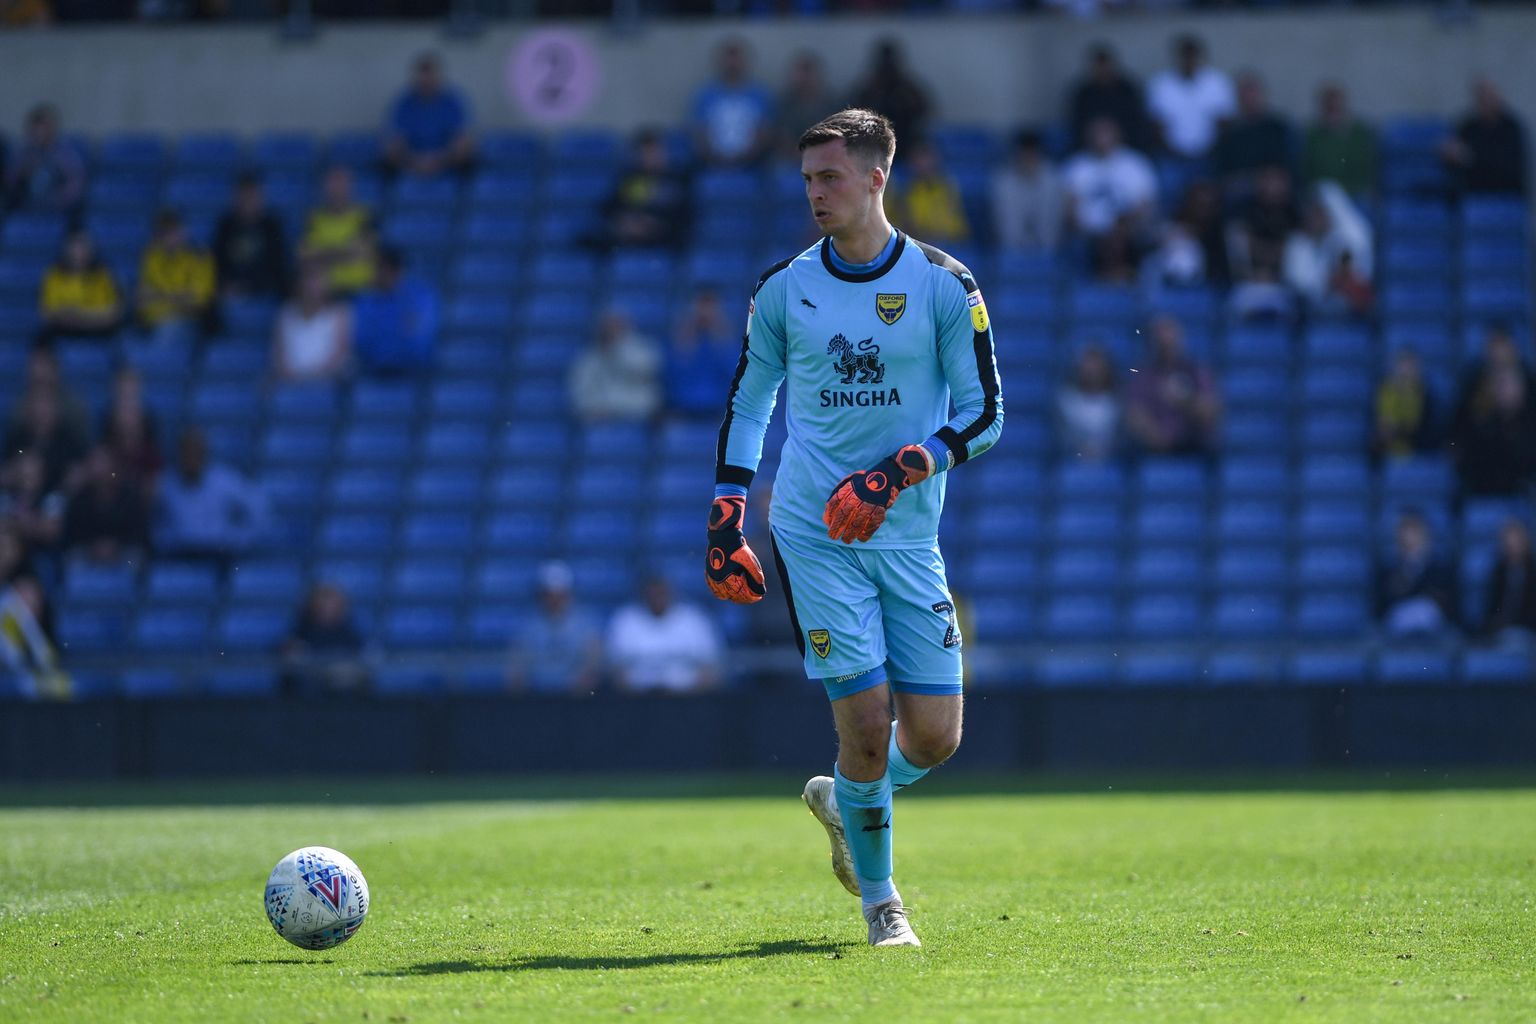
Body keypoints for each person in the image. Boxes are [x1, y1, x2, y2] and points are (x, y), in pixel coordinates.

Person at [705, 109, 1003, 947]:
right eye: (806, 180)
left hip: (906, 534)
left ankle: (845, 797)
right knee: (868, 726)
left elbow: (985, 417)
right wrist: (730, 508)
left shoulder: (947, 285)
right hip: (814, 532)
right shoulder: (784, 287)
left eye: (829, 178)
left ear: (878, 176)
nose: (814, 194)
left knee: (936, 740)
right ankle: (884, 906)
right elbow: (748, 402)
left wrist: (898, 471)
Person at [1062, 118, 1158, 283]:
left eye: (1106, 133)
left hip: (1128, 232)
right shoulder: (1077, 166)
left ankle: (1129, 283)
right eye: (1097, 134)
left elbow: (1146, 205)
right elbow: (1070, 210)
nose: (1102, 139)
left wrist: (1123, 228)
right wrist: (1090, 230)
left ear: (1118, 136)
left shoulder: (1136, 164)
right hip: (1089, 235)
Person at [154, 426, 270, 560]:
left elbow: (260, 508)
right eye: (186, 452)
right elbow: (154, 523)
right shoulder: (165, 484)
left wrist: (237, 539)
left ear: (205, 454)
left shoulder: (225, 481)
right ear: (179, 455)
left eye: (196, 452)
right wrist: (166, 541)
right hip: (179, 556)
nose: (191, 458)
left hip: (218, 554)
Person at [1449, 328, 1536, 496]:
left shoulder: (1530, 381)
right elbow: (1460, 426)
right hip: (1481, 470)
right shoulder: (1474, 381)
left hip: (1522, 470)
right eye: (1494, 348)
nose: (1498, 354)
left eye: (1503, 347)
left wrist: (1514, 413)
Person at [606, 574, 722, 693]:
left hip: (688, 698)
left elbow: (711, 667)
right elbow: (616, 671)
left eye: (661, 593)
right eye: (652, 594)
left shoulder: (695, 619)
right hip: (637, 700)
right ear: (643, 595)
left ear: (672, 593)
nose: (657, 598)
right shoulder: (625, 620)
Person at [1124, 314, 1220, 456]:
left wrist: (1185, 400)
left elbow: (1210, 411)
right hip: (1153, 451)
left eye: (1169, 336)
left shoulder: (1196, 372)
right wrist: (1155, 437)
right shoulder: (1143, 375)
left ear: (1179, 339)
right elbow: (1134, 414)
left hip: (1193, 448)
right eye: (1160, 338)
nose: (1165, 342)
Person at [505, 561, 604, 694]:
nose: (555, 599)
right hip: (535, 699)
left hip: (576, 698)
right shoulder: (527, 626)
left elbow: (594, 662)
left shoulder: (586, 623)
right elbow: (516, 667)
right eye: (549, 594)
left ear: (568, 593)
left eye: (560, 594)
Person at [1281, 182, 1374, 317]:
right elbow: (1296, 282)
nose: (1314, 219)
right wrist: (1324, 283)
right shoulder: (1297, 243)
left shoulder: (1345, 240)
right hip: (1308, 312)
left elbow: (1358, 270)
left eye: (1320, 213)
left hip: (1347, 310)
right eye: (1312, 213)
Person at [596, 128, 691, 252]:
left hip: (665, 237)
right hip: (629, 236)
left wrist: (656, 225)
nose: (650, 158)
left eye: (654, 152)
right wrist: (626, 221)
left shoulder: (678, 179)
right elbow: (609, 208)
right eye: (645, 153)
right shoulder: (628, 179)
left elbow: (686, 214)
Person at [383, 51, 475, 179]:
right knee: (385, 161)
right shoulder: (403, 103)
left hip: (447, 163)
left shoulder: (453, 102)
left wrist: (438, 160)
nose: (427, 81)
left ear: (439, 77)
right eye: (423, 76)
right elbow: (395, 142)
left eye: (431, 76)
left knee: (469, 157)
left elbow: (462, 141)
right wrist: (416, 161)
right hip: (411, 163)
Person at [1146, 34, 1235, 162]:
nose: (1189, 60)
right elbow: (1155, 126)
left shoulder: (1217, 82)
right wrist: (1175, 153)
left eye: (1192, 56)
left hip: (1210, 155)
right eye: (1185, 56)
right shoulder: (1160, 85)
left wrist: (1211, 150)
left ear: (1200, 57)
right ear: (1177, 57)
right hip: (1171, 156)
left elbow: (1225, 124)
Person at [352, 247, 439, 375]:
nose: (376, 273)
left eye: (381, 268)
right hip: (374, 370)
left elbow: (419, 340)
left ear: (395, 270)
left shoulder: (421, 296)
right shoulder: (365, 299)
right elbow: (361, 338)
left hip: (415, 372)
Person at [690, 37, 775, 168]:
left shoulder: (759, 95)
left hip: (751, 164)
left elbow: (765, 131)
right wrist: (716, 158)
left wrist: (747, 157)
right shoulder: (706, 95)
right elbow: (699, 132)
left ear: (745, 62)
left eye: (737, 60)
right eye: (728, 60)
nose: (732, 65)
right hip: (713, 164)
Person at [136, 208, 216, 345]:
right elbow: (142, 297)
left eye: (171, 231)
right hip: (152, 319)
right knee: (125, 342)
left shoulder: (199, 256)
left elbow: (198, 301)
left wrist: (160, 296)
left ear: (183, 231)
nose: (167, 237)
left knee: (163, 334)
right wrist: (177, 296)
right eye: (162, 233)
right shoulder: (152, 255)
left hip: (188, 322)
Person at [568, 308, 662, 424]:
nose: (612, 330)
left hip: (638, 415)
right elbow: (580, 389)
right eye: (608, 327)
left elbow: (644, 374)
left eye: (616, 325)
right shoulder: (589, 358)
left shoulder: (643, 350)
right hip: (602, 418)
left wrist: (617, 350)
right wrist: (591, 409)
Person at [1376, 510, 1457, 639]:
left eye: (1415, 532)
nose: (1409, 538)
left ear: (1425, 535)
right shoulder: (1389, 570)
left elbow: (1449, 605)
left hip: (1434, 631)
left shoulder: (1441, 568)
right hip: (1397, 632)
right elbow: (1381, 608)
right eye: (1405, 532)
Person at [62, 446, 149, 565]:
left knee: (134, 558)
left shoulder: (130, 497)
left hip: (123, 551)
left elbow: (138, 534)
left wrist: (116, 546)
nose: (99, 470)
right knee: (73, 558)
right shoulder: (80, 499)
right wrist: (93, 547)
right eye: (95, 464)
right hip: (88, 551)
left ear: (114, 466)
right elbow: (72, 535)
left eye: (103, 463)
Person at [1439, 78, 1527, 195]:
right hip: (1473, 190)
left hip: (1505, 192)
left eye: (1490, 97)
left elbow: (1508, 166)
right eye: (1482, 98)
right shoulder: (1468, 127)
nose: (1486, 102)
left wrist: (1471, 157)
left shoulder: (1512, 128)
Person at [1212, 73, 1294, 198]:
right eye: (1244, 94)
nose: (1249, 98)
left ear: (1262, 95)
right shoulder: (1230, 132)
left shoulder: (1278, 128)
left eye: (1253, 92)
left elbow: (1284, 164)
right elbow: (1223, 170)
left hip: (1271, 185)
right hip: (1239, 187)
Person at [300, 165, 376, 296]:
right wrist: (346, 251)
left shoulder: (364, 217)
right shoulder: (314, 219)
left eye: (341, 182)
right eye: (332, 183)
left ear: (351, 186)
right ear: (324, 187)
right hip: (326, 294)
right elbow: (307, 256)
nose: (337, 188)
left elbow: (362, 252)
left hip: (361, 291)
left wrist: (324, 253)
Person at [281, 582, 370, 695]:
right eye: (321, 604)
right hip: (307, 698)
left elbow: (362, 666)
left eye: (331, 604)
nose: (326, 608)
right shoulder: (300, 633)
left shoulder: (351, 635)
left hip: (345, 697)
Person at [666, 288, 742, 419]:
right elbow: (671, 375)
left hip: (720, 408)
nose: (705, 313)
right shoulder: (678, 340)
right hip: (682, 405)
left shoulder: (729, 342)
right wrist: (685, 344)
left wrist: (721, 341)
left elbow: (735, 374)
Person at [213, 172, 289, 300]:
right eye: (244, 196)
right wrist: (227, 285)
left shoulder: (272, 226)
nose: (247, 202)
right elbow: (217, 262)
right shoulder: (226, 225)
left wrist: (249, 286)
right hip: (231, 291)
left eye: (252, 196)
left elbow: (278, 265)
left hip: (266, 289)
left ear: (261, 198)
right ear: (236, 198)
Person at [273, 261, 353, 383]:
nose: (313, 286)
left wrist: (314, 377)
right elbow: (279, 355)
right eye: (309, 280)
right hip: (291, 382)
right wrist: (293, 377)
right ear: (299, 284)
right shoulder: (285, 313)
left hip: (327, 382)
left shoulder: (339, 314)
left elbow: (339, 356)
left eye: (318, 280)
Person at [38, 230, 123, 343]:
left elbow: (114, 313)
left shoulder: (103, 276)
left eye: (82, 247)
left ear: (91, 249)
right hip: (62, 335)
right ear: (66, 249)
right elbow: (47, 313)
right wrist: (77, 316)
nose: (78, 253)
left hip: (99, 335)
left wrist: (81, 316)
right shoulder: (54, 275)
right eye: (75, 247)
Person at [3, 103, 86, 217]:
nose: (40, 132)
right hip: (26, 204)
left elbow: (75, 184)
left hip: (58, 206)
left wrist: (58, 200)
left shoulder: (65, 154)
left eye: (44, 127)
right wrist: (23, 171)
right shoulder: (23, 153)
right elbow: (10, 182)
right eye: (37, 127)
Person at [2, 387, 89, 494]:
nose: (41, 410)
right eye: (37, 403)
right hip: (19, 502)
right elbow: (4, 474)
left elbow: (79, 473)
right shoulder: (17, 437)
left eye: (46, 404)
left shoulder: (69, 440)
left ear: (56, 408)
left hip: (59, 501)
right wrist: (16, 472)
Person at [847, 40, 931, 149]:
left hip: (906, 141)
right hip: (874, 143)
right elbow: (852, 113)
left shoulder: (908, 89)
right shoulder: (869, 89)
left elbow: (924, 110)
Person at [1067, 44, 1150, 154]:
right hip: (1090, 151)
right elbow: (1077, 124)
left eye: (1105, 65)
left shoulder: (1127, 90)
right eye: (1099, 66)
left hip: (1127, 147)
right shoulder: (1083, 93)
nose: (1103, 70)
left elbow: (1137, 122)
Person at [991, 129, 1064, 254]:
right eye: (1024, 153)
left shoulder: (1052, 179)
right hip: (1012, 248)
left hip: (1047, 247)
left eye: (1032, 154)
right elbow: (1006, 227)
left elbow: (1052, 226)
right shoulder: (1003, 180)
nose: (1028, 159)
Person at [1300, 82, 1378, 199]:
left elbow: (1364, 169)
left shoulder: (1360, 134)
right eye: (1330, 109)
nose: (1334, 115)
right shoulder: (1311, 135)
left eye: (1337, 109)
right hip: (1323, 193)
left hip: (1354, 192)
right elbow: (1310, 169)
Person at [0, 573, 70, 701]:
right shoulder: (5, 626)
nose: (28, 601)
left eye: (33, 595)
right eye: (21, 595)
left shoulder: (49, 634)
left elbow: (61, 686)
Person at [887, 140, 970, 247]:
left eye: (927, 158)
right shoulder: (904, 191)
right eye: (918, 159)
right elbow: (908, 228)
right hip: (921, 244)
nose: (923, 164)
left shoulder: (948, 185)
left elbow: (957, 227)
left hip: (951, 243)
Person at [1056, 345, 1120, 462]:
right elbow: (1063, 436)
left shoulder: (1118, 401)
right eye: (1088, 365)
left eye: (1097, 366)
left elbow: (1119, 437)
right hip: (1074, 460)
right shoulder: (1066, 399)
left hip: (1111, 461)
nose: (1092, 371)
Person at [1373, 348, 1438, 461]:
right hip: (1387, 451)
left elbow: (1427, 430)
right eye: (1403, 366)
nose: (1406, 371)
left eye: (1411, 367)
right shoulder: (1385, 391)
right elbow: (1381, 427)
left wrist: (1399, 430)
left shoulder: (1426, 395)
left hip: (1419, 450)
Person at [1481, 519, 1536, 645]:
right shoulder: (1498, 571)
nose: (1511, 546)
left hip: (1528, 631)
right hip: (1500, 632)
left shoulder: (1533, 571)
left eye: (1516, 541)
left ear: (1525, 541)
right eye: (1507, 541)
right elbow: (1491, 609)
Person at [775, 51, 835, 159]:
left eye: (809, 75)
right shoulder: (785, 104)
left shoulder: (831, 104)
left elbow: (835, 138)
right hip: (790, 158)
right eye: (801, 75)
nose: (805, 80)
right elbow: (782, 137)